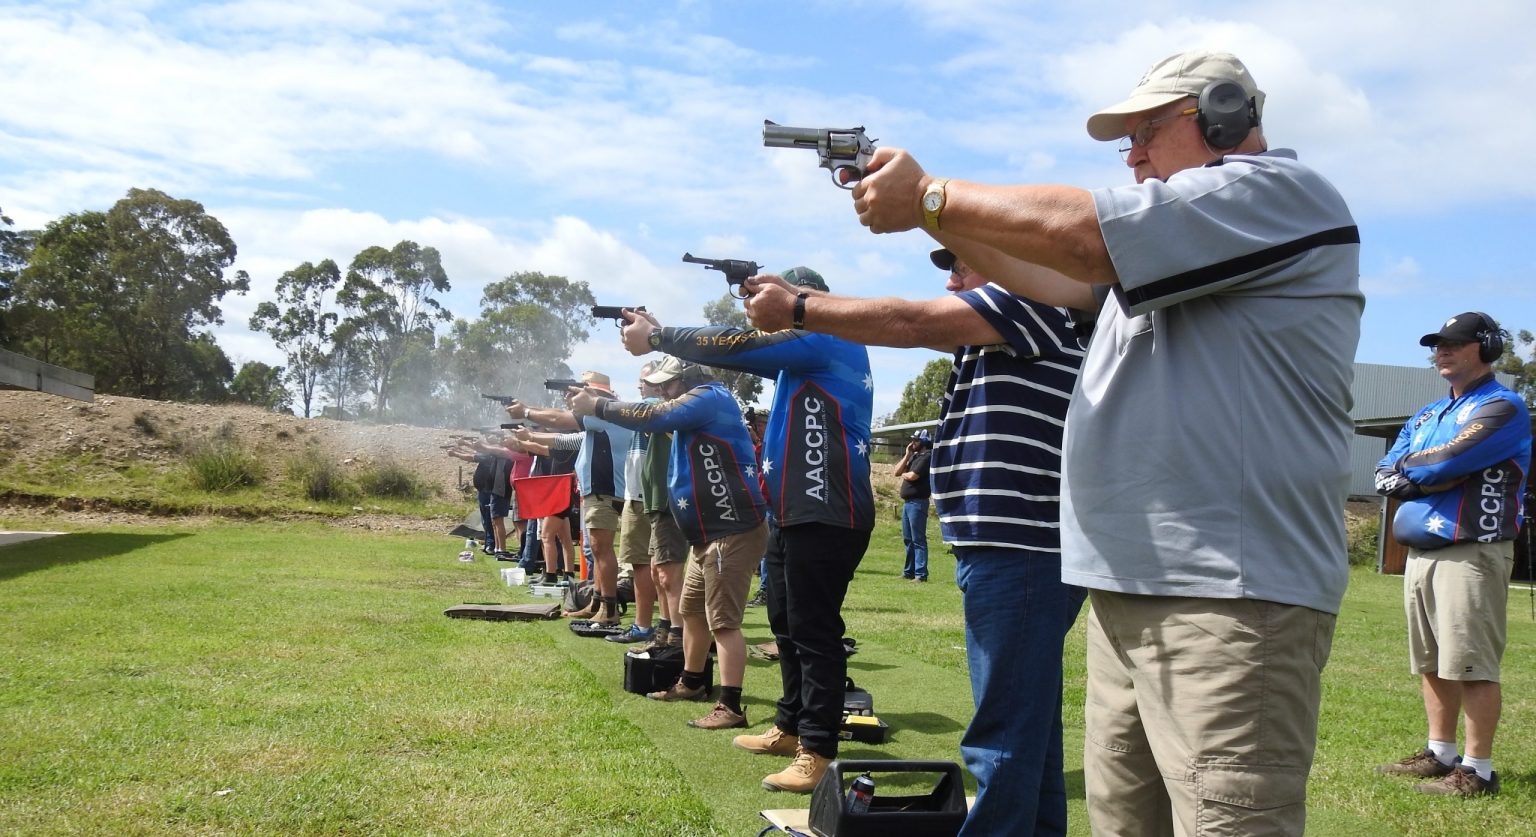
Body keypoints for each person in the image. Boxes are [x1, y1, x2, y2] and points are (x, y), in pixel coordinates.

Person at [851, 49, 1363, 834]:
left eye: (1147, 129)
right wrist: (930, 215)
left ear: (1222, 112)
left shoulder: (1276, 193)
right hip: (1136, 589)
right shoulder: (1178, 247)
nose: (1132, 154)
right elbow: (1052, 273)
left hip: (1226, 597)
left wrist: (931, 192)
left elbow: (1084, 239)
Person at [742, 249, 1083, 835]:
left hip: (1019, 545)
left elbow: (910, 320)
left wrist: (799, 308)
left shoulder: (1034, 299)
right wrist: (807, 307)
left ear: (1012, 266)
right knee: (1029, 730)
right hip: (1006, 543)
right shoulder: (1005, 325)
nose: (950, 278)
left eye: (964, 263)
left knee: (1002, 734)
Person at [619, 269, 875, 793]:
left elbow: (738, 346)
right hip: (790, 511)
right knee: (785, 626)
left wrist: (661, 334)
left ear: (806, 301)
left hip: (825, 509)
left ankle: (818, 749)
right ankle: (789, 725)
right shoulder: (803, 356)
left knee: (814, 632)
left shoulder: (824, 332)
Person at [1374, 312, 1531, 797]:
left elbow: (1445, 459)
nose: (1442, 351)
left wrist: (1426, 469)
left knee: (1471, 662)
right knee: (1432, 660)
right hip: (1423, 552)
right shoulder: (1426, 415)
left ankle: (1478, 770)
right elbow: (1384, 472)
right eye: (1438, 344)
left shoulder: (1502, 407)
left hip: (1472, 549)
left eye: (1455, 343)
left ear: (1485, 348)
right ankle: (1440, 754)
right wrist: (1421, 471)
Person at [568, 356, 770, 730]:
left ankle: (731, 706)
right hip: (709, 532)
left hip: (731, 527)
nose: (662, 390)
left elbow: (655, 416)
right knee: (692, 609)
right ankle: (692, 683)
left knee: (723, 622)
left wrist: (597, 405)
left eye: (669, 383)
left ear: (692, 377)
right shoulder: (701, 400)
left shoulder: (710, 396)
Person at [508, 370, 636, 630]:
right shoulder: (598, 422)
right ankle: (597, 602)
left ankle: (608, 609)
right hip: (598, 489)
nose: (572, 399)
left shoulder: (604, 414)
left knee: (601, 550)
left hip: (604, 488)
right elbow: (566, 440)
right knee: (596, 551)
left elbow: (560, 420)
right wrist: (530, 437)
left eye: (578, 393)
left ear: (595, 395)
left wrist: (527, 412)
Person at [607, 362, 661, 645]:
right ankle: (663, 626)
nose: (639, 384)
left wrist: (601, 403)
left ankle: (644, 626)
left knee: (642, 563)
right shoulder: (652, 408)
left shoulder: (652, 406)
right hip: (643, 495)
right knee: (655, 565)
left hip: (641, 497)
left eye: (644, 379)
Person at [891, 429, 934, 582]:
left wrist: (904, 473)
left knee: (918, 539)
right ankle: (909, 572)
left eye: (916, 440)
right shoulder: (915, 456)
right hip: (908, 504)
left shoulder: (927, 456)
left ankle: (921, 574)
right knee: (908, 539)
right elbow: (896, 471)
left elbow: (912, 476)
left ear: (924, 441)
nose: (913, 442)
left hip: (918, 503)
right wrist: (908, 454)